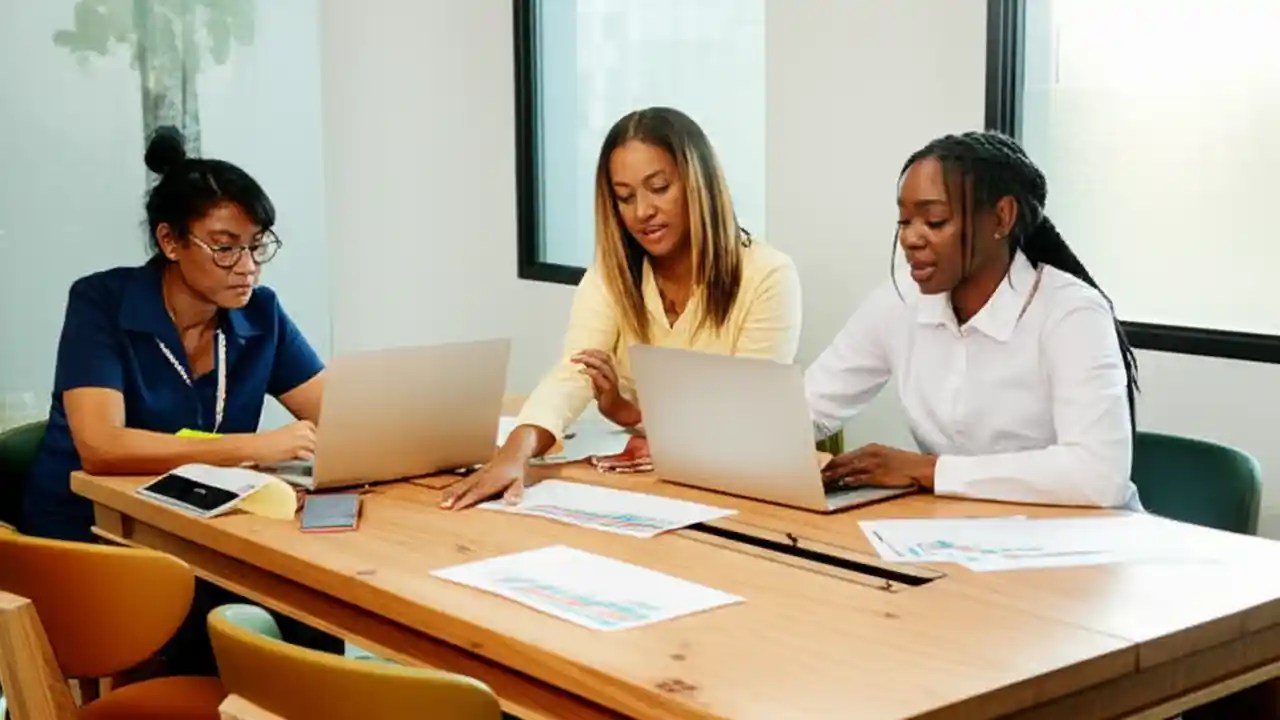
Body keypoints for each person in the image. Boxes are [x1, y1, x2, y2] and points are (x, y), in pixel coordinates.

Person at [20, 127, 339, 675]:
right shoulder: (101, 302)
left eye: (257, 244)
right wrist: (255, 448)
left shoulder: (260, 314)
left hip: (204, 536)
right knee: (251, 630)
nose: (247, 266)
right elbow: (101, 447)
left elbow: (341, 415)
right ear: (170, 242)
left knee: (318, 617)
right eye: (224, 247)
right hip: (96, 541)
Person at [443, 107, 802, 510]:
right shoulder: (610, 275)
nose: (642, 212)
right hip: (645, 487)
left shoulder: (768, 276)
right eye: (625, 197)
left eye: (660, 187)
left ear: (698, 184)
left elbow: (745, 420)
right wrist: (516, 450)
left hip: (738, 492)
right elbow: (574, 373)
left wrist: (632, 414)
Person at [805, 130, 1140, 509]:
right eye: (904, 221)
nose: (911, 238)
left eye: (934, 221)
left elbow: (1098, 476)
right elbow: (807, 408)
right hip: (962, 533)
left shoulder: (1071, 313)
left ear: (1001, 217)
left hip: (1083, 543)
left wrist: (929, 471)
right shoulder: (898, 302)